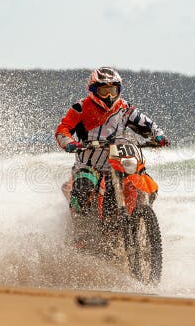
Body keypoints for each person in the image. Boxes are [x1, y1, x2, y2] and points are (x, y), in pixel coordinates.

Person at [55, 67, 169, 217]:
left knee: (148, 185)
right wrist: (69, 142)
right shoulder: (80, 108)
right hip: (89, 166)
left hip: (118, 163)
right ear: (93, 90)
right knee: (82, 191)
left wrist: (159, 136)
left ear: (119, 90)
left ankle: (141, 217)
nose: (109, 96)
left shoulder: (125, 108)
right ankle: (80, 233)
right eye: (104, 91)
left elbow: (148, 123)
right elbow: (62, 129)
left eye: (112, 91)